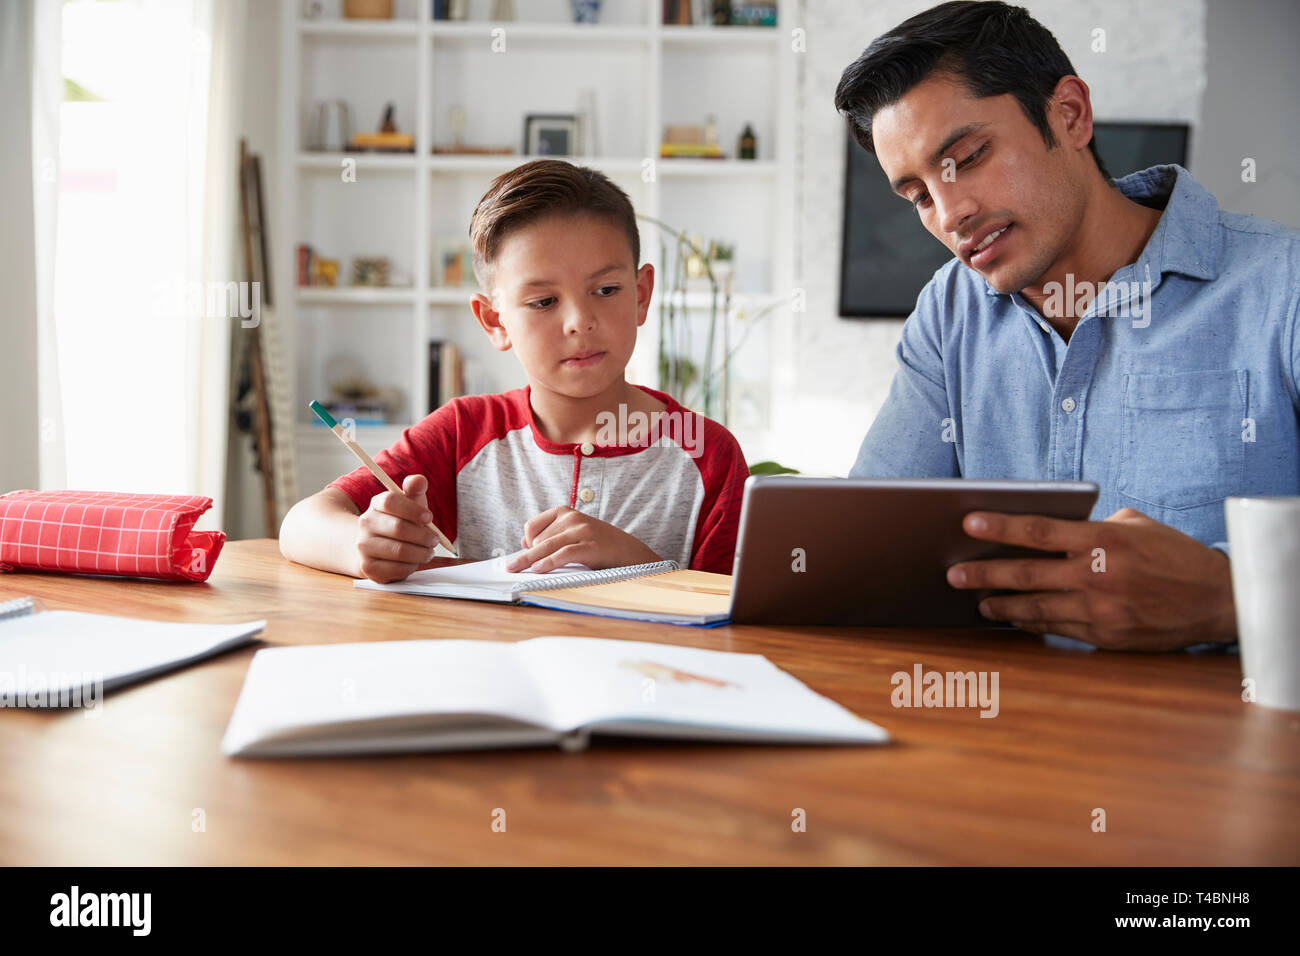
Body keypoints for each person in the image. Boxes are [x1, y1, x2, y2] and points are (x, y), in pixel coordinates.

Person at [834, 1, 1300, 650]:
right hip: (1017, 734)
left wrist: (1232, 599)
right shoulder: (948, 312)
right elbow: (867, 548)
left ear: (1070, 115)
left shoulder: (1284, 288)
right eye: (916, 196)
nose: (950, 214)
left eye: (967, 157)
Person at [279, 160, 749, 583]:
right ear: (494, 320)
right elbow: (302, 524)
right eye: (543, 301)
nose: (578, 321)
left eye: (606, 290)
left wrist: (638, 565)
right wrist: (363, 546)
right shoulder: (463, 434)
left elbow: (741, 624)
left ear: (642, 294)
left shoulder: (708, 455)